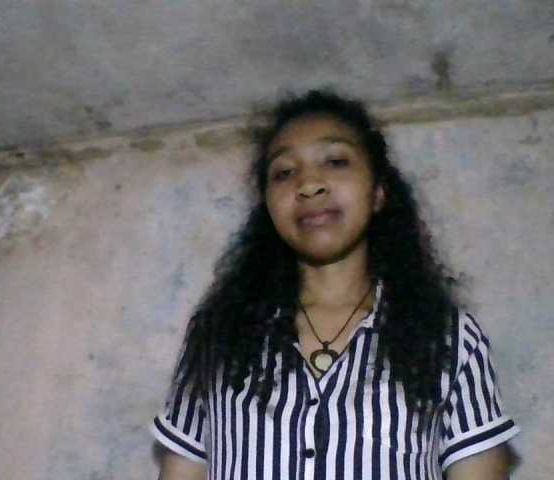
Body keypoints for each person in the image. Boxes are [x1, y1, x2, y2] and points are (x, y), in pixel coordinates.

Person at [150, 89, 520, 480]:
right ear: (268, 206)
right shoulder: (217, 336)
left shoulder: (448, 338)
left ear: (378, 193)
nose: (309, 184)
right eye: (284, 172)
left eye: (336, 161)